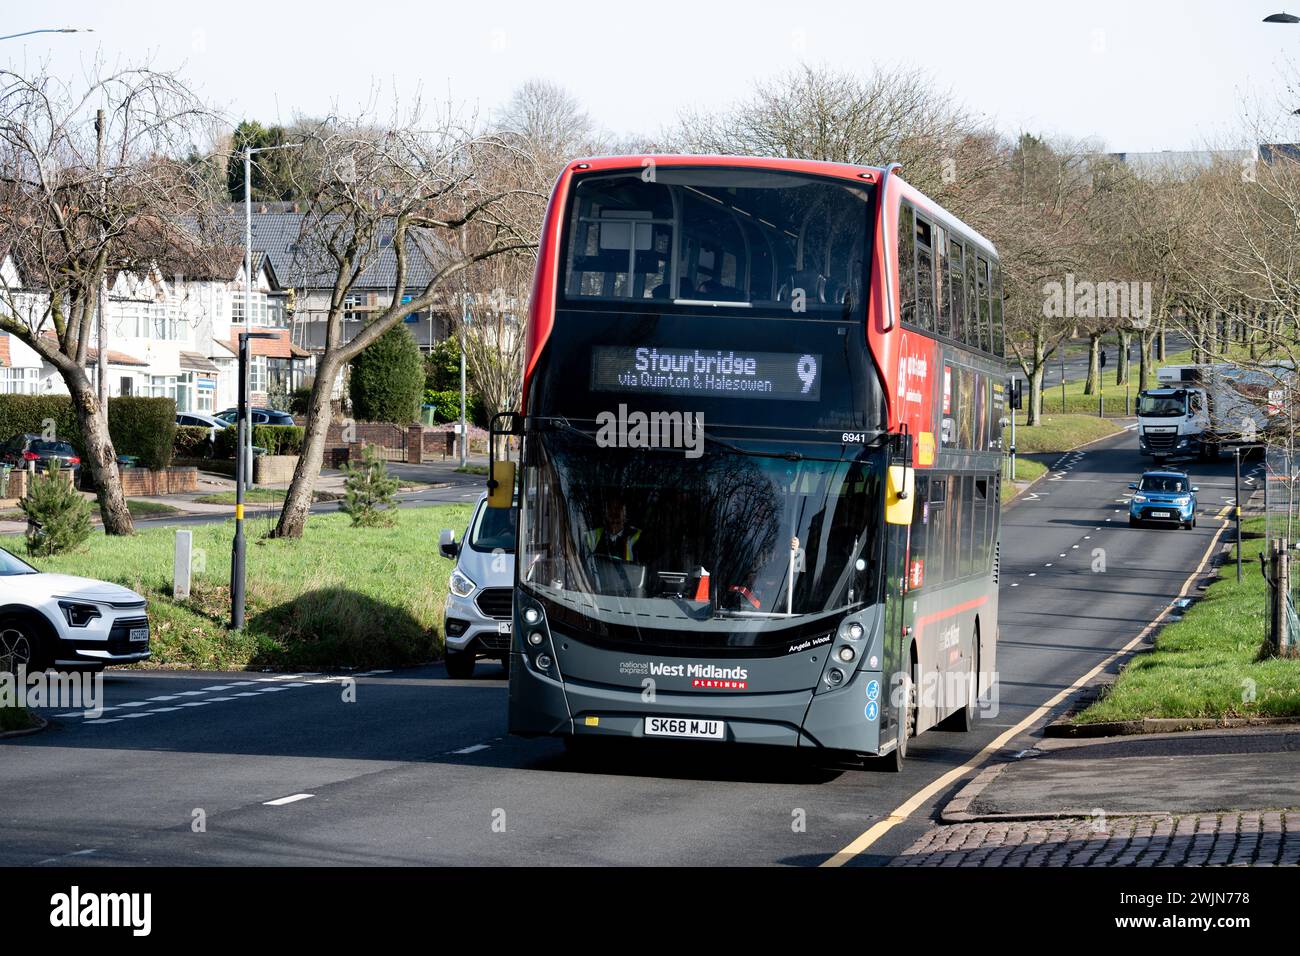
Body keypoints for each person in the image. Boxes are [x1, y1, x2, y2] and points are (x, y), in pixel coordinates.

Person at [585, 495, 642, 562]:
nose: (614, 513)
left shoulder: (638, 536)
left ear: (625, 514)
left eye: (618, 508)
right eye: (610, 509)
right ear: (605, 514)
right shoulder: (592, 536)